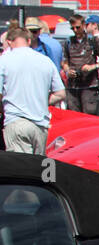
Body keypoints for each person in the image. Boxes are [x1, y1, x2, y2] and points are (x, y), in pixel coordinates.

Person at [0, 26, 65, 154]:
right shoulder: (45, 61)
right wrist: (41, 100)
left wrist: (3, 107)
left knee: (20, 168)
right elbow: (61, 93)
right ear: (29, 41)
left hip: (16, 121)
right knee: (37, 168)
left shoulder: (4, 61)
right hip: (40, 125)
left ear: (9, 42)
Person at [62, 15, 99, 116]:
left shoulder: (93, 41)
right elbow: (65, 62)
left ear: (83, 25)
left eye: (77, 27)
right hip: (73, 86)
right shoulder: (68, 42)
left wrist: (92, 67)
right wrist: (68, 71)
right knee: (73, 116)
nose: (75, 30)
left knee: (89, 114)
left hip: (89, 85)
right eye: (72, 28)